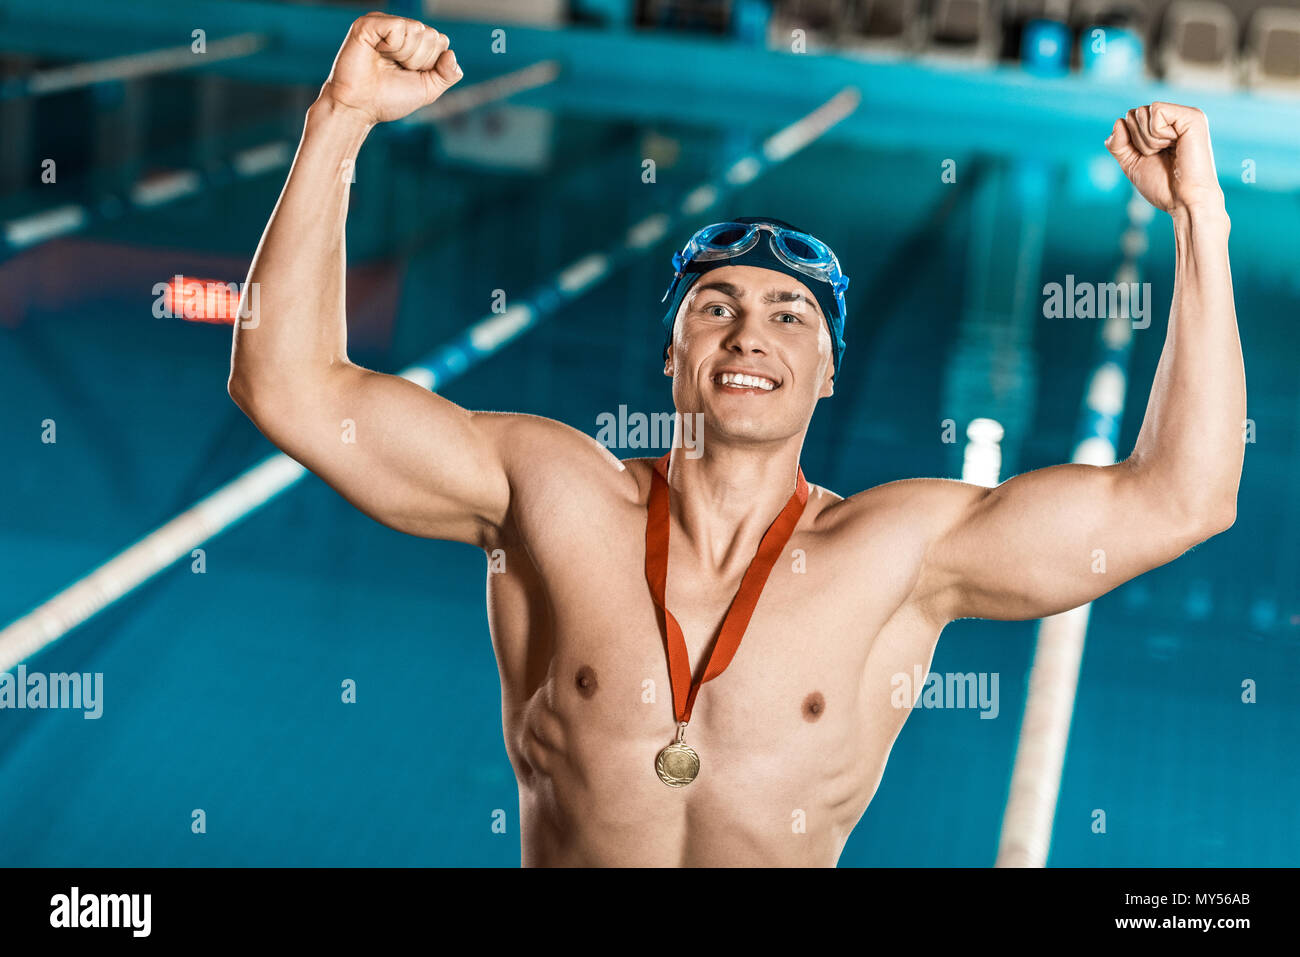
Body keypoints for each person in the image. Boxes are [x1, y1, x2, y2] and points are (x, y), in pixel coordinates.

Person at [227, 13, 1244, 866]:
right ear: (669, 357)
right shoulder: (548, 494)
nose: (751, 331)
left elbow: (1185, 497)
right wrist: (340, 118)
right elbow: (290, 387)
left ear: (829, 371)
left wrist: (1201, 220)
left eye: (789, 316)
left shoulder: (901, 554)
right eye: (714, 307)